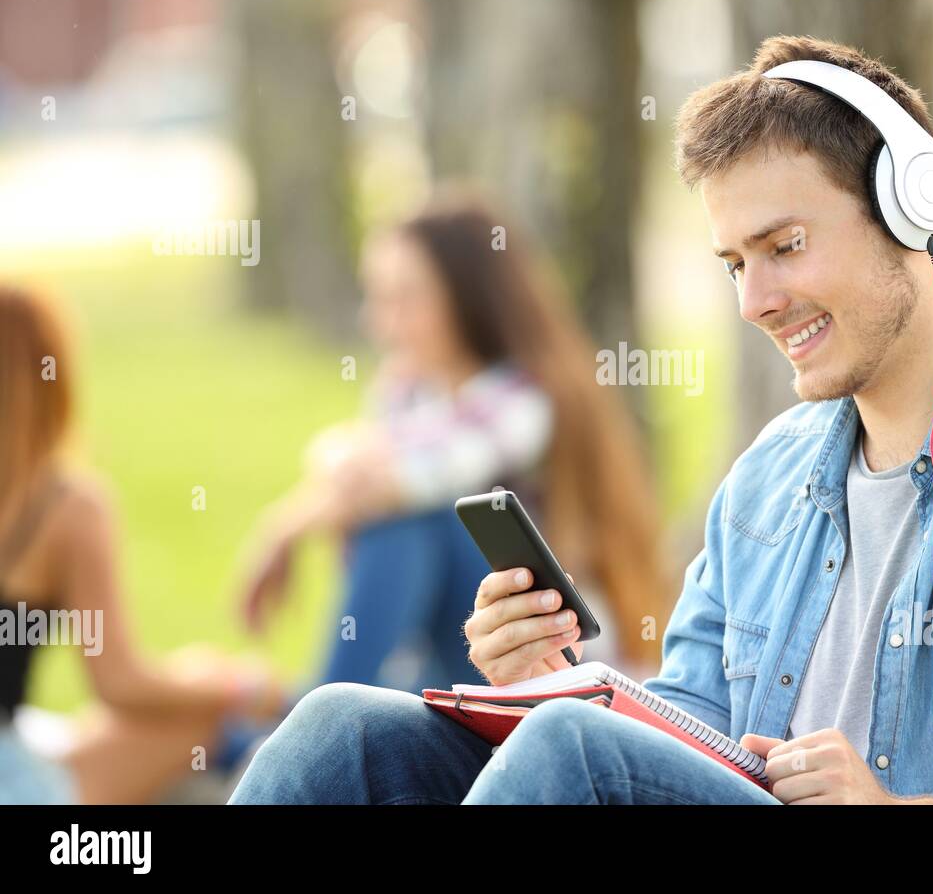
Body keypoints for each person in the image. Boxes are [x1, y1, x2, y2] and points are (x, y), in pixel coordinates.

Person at [229, 35, 933, 805]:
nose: (754, 301)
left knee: (568, 759)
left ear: (914, 207)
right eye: (735, 263)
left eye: (784, 246)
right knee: (342, 730)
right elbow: (677, 741)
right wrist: (558, 688)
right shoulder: (768, 480)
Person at [221, 189, 671, 769]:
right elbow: (340, 460)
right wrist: (311, 505)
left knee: (416, 515)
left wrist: (282, 528)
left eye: (405, 299)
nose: (380, 322)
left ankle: (305, 731)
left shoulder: (523, 398)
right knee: (404, 518)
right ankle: (298, 722)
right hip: (454, 653)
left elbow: (402, 481)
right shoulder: (410, 393)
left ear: (467, 299)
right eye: (378, 298)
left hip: (548, 665)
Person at [0, 284, 283, 805]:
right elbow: (119, 683)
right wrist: (237, 686)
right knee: (196, 713)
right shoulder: (64, 505)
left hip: (20, 741)